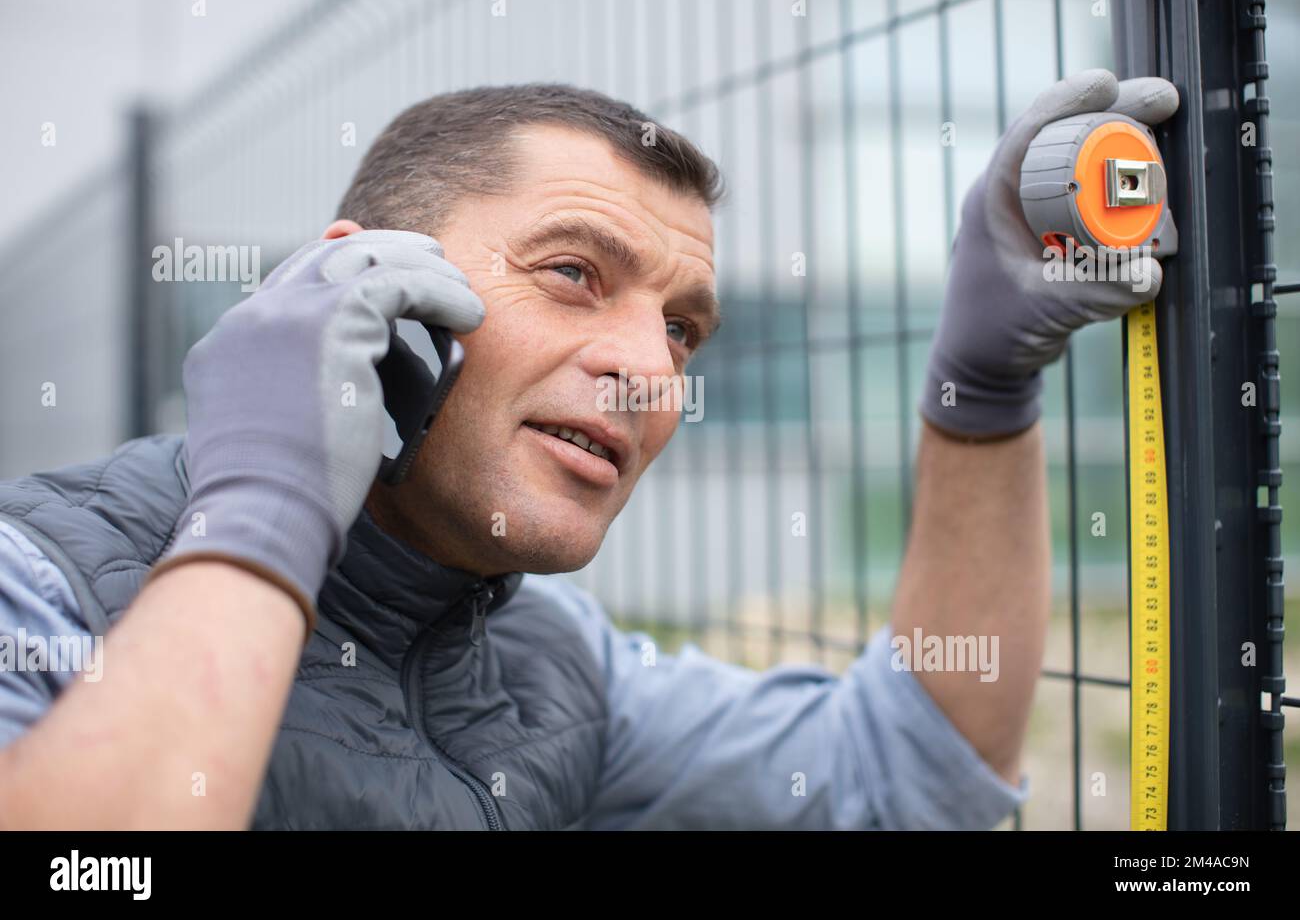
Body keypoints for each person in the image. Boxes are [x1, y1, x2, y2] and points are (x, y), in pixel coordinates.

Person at [0, 71, 1176, 829]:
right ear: (355, 292)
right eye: (572, 273)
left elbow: (906, 777)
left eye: (681, 328)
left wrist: (981, 388)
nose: (652, 372)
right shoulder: (35, 587)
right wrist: (262, 502)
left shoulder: (556, 667)